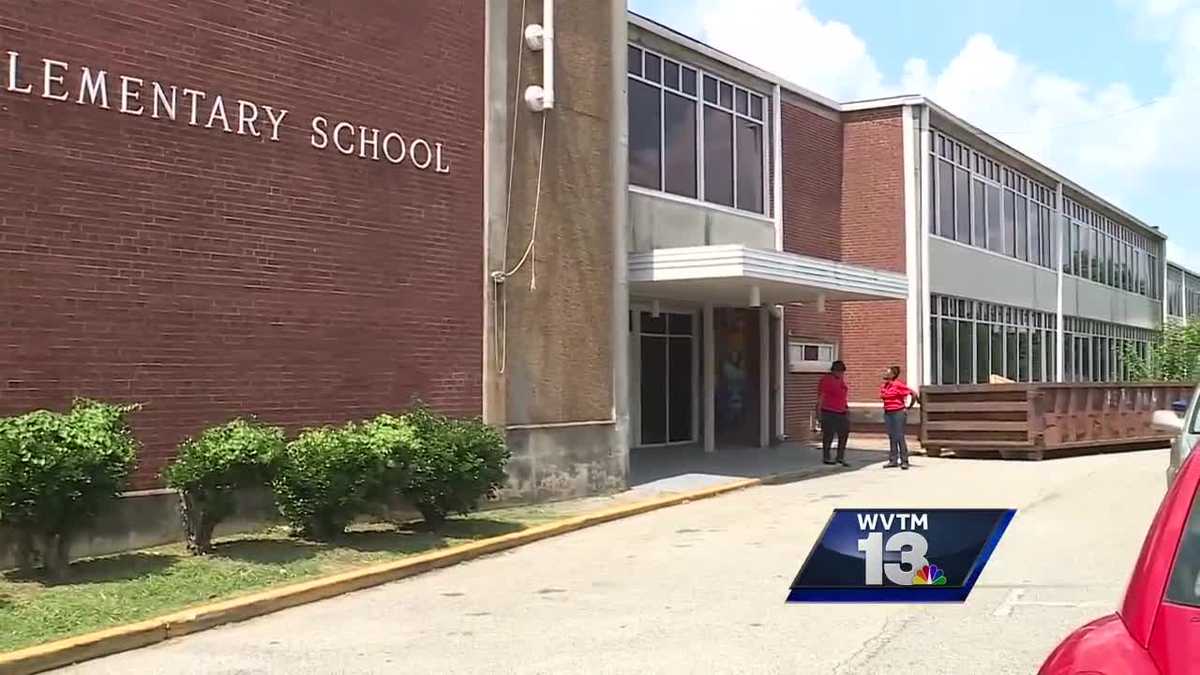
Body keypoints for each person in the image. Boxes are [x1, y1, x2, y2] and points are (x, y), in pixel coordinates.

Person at [880, 365, 920, 470]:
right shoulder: (885, 386)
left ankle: (904, 460)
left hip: (898, 413)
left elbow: (913, 393)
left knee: (899, 436)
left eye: (887, 372)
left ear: (892, 375)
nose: (885, 373)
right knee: (891, 436)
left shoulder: (898, 385)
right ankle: (893, 460)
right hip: (888, 413)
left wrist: (909, 407)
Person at [817, 361, 850, 466]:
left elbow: (843, 395)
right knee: (828, 435)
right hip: (829, 411)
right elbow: (821, 397)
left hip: (841, 411)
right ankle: (826, 457)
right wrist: (818, 412)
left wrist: (846, 407)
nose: (841, 374)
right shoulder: (826, 380)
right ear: (834, 371)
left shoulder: (840, 380)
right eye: (840, 372)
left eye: (842, 373)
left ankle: (840, 457)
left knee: (844, 433)